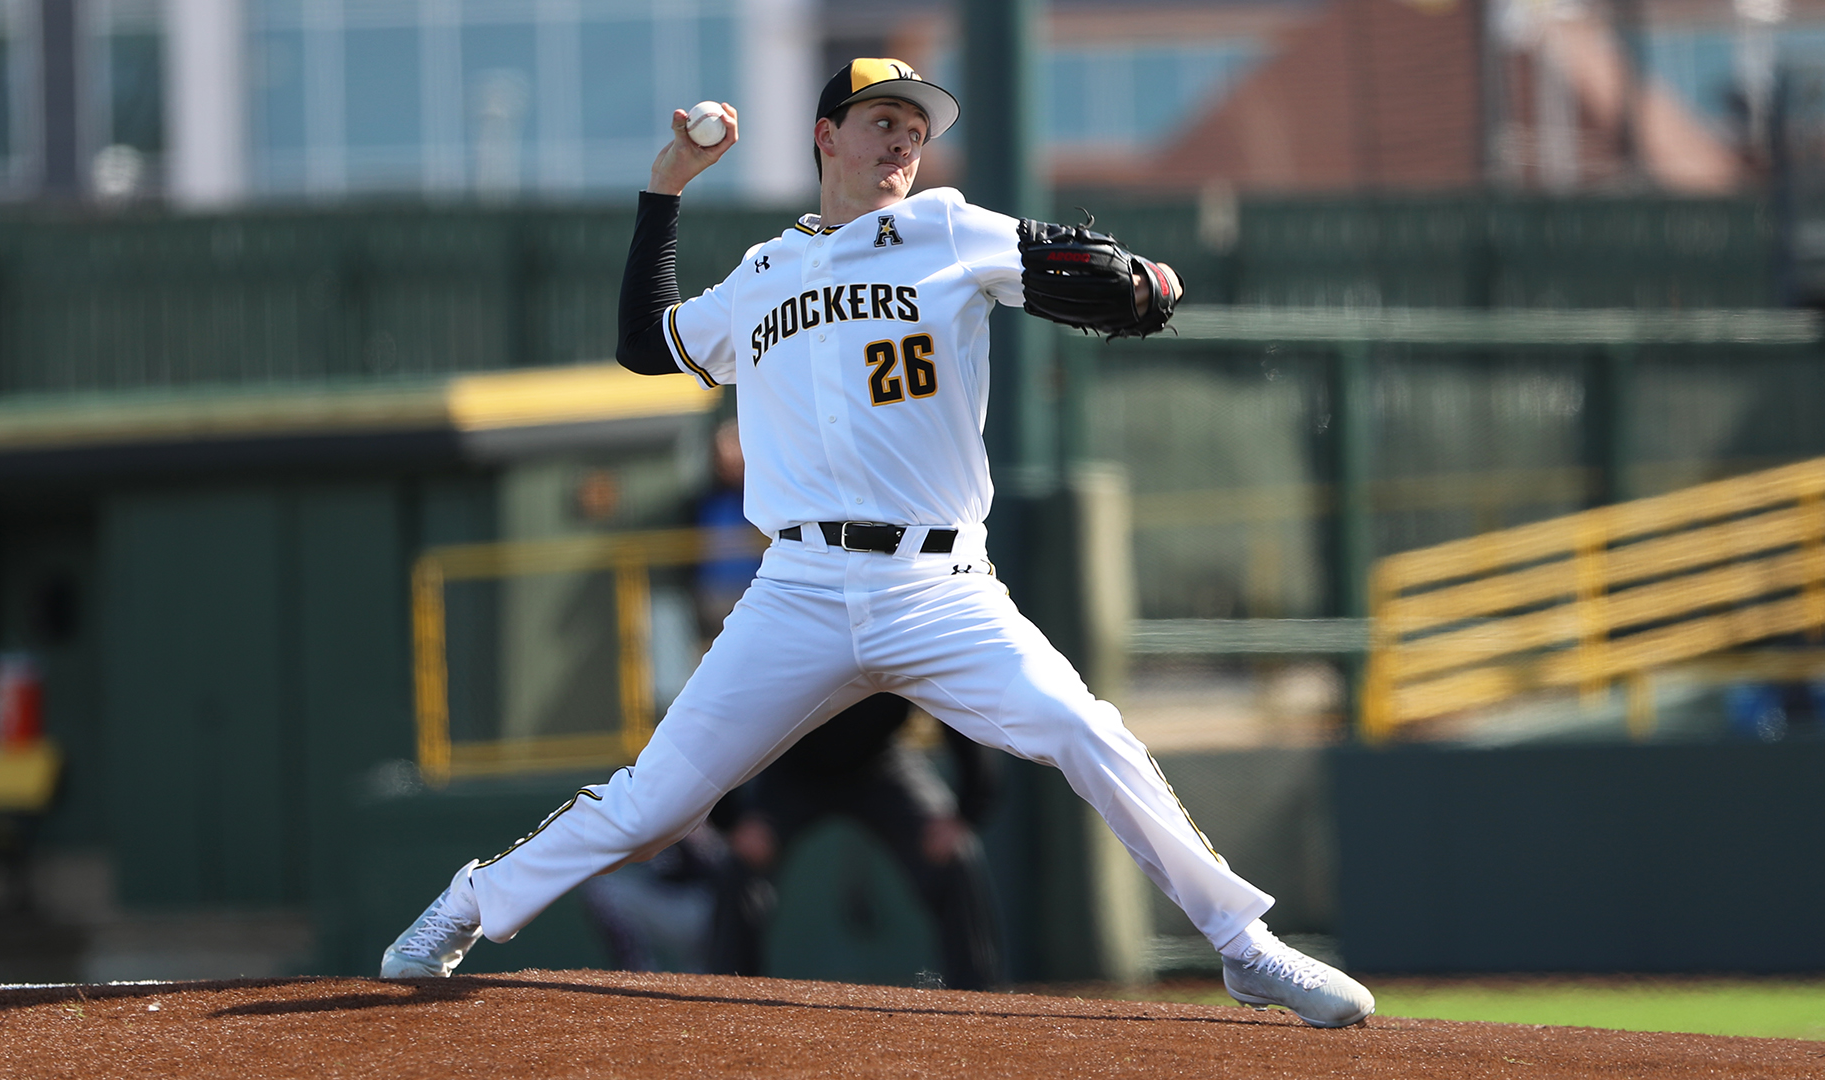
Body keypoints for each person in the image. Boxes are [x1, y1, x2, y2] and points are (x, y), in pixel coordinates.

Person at [381, 58, 1374, 1028]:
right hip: (799, 587)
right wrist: (665, 188)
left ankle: (1244, 946)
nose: (904, 138)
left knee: (1085, 732)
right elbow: (647, 344)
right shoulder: (765, 273)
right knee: (654, 803)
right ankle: (466, 906)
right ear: (827, 137)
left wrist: (1141, 277)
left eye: (916, 125)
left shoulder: (945, 227)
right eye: (882, 120)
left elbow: (1064, 256)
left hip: (939, 584)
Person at [709, 692, 1000, 990]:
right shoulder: (785, 646)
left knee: (955, 853)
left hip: (879, 760)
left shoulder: (899, 648)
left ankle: (975, 996)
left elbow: (953, 702)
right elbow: (727, 711)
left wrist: (965, 813)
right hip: (791, 765)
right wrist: (731, 821)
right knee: (740, 861)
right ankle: (729, 993)